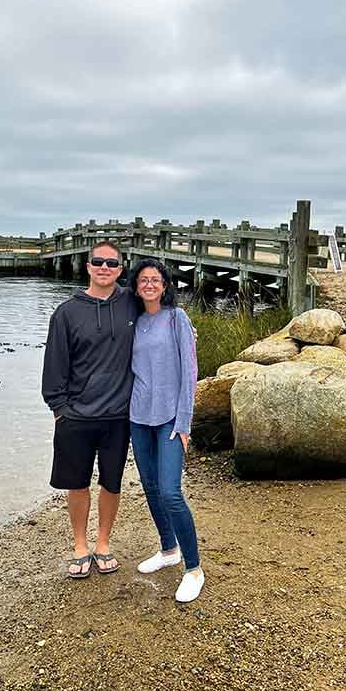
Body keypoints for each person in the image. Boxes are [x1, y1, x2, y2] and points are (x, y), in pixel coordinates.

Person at [42, 240, 137, 578]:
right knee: (77, 483)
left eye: (112, 264)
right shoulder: (66, 312)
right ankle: (80, 545)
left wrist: (186, 331)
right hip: (76, 416)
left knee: (111, 482)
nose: (104, 268)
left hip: (118, 416)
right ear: (87, 266)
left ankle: (103, 543)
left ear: (121, 269)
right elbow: (54, 364)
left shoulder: (131, 303)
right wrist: (59, 408)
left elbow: (163, 306)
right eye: (98, 262)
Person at [128, 258, 204, 603]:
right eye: (143, 279)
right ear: (136, 285)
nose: (149, 284)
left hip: (171, 420)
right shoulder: (134, 321)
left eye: (155, 279)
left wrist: (185, 423)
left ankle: (193, 570)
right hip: (138, 417)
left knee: (171, 491)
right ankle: (168, 549)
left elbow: (190, 371)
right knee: (151, 486)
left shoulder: (177, 318)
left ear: (165, 285)